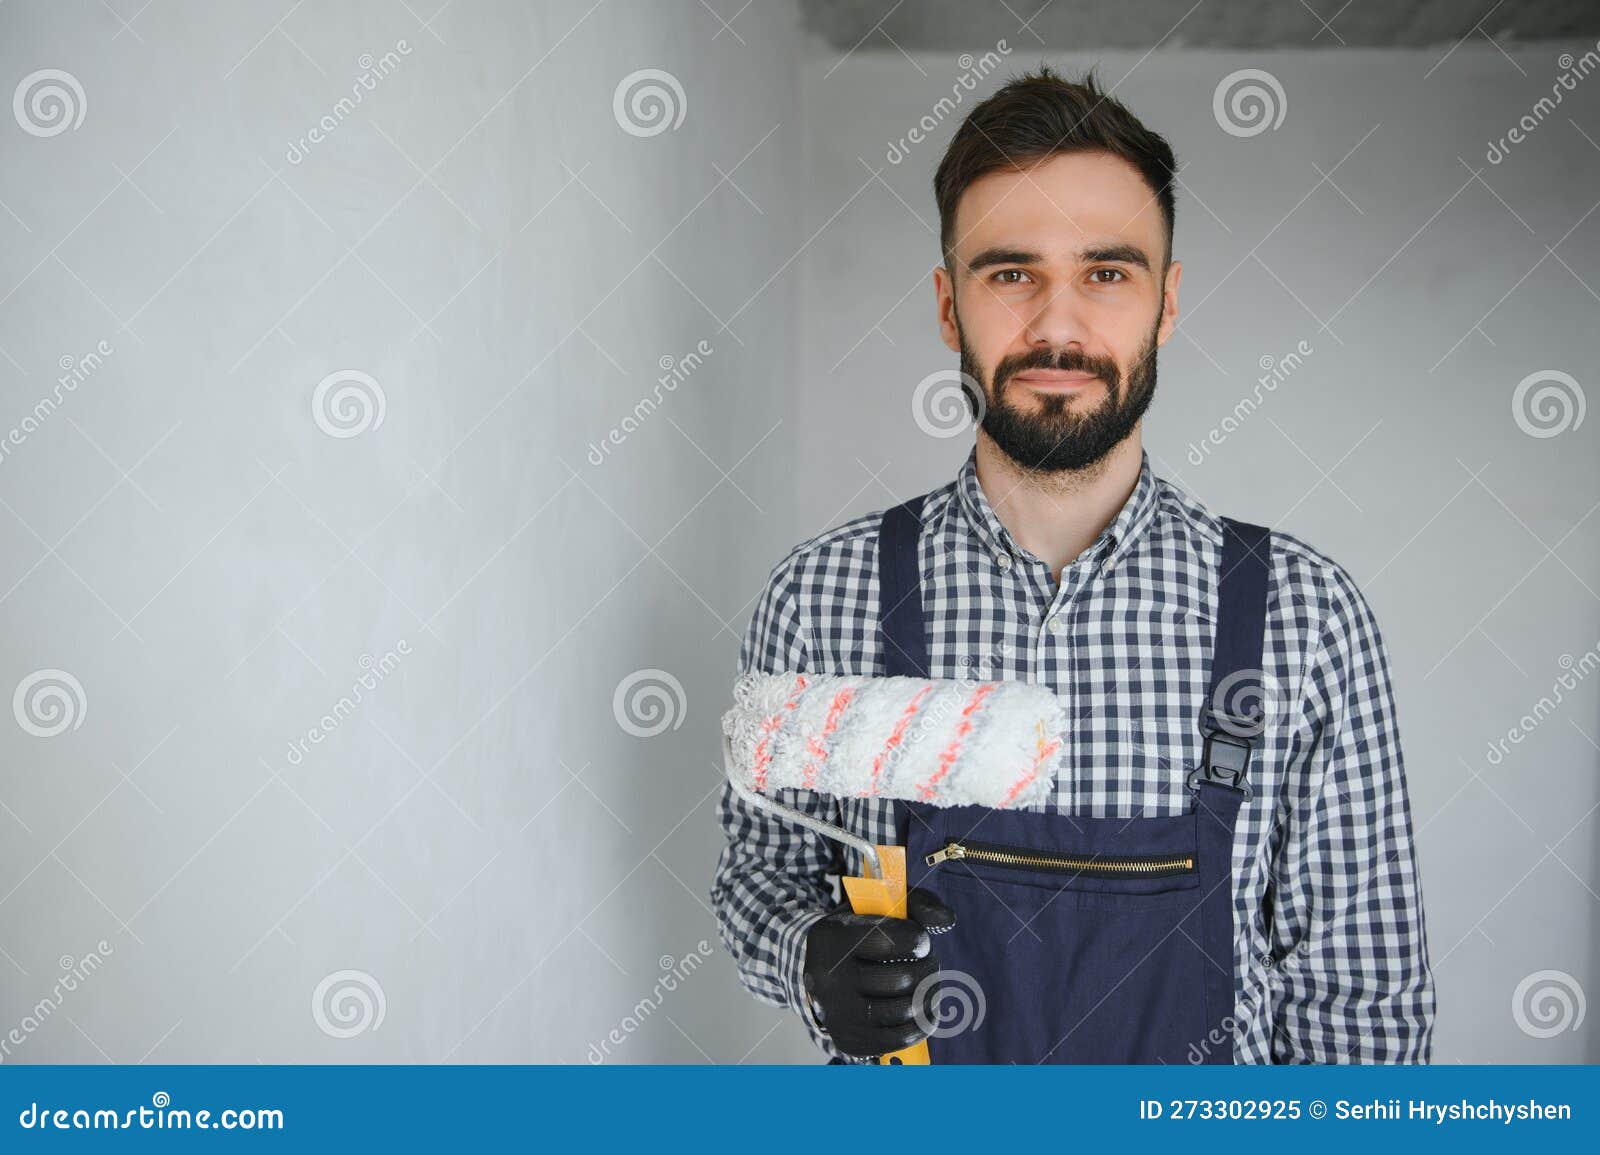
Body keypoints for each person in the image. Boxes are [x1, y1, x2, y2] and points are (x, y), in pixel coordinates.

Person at [710, 66, 1435, 1064]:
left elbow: (1363, 1004)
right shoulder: (821, 600)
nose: (1056, 323)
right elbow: (761, 868)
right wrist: (807, 955)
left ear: (1165, 303)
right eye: (1010, 272)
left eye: (1106, 272)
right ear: (947, 304)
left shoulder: (1301, 618)